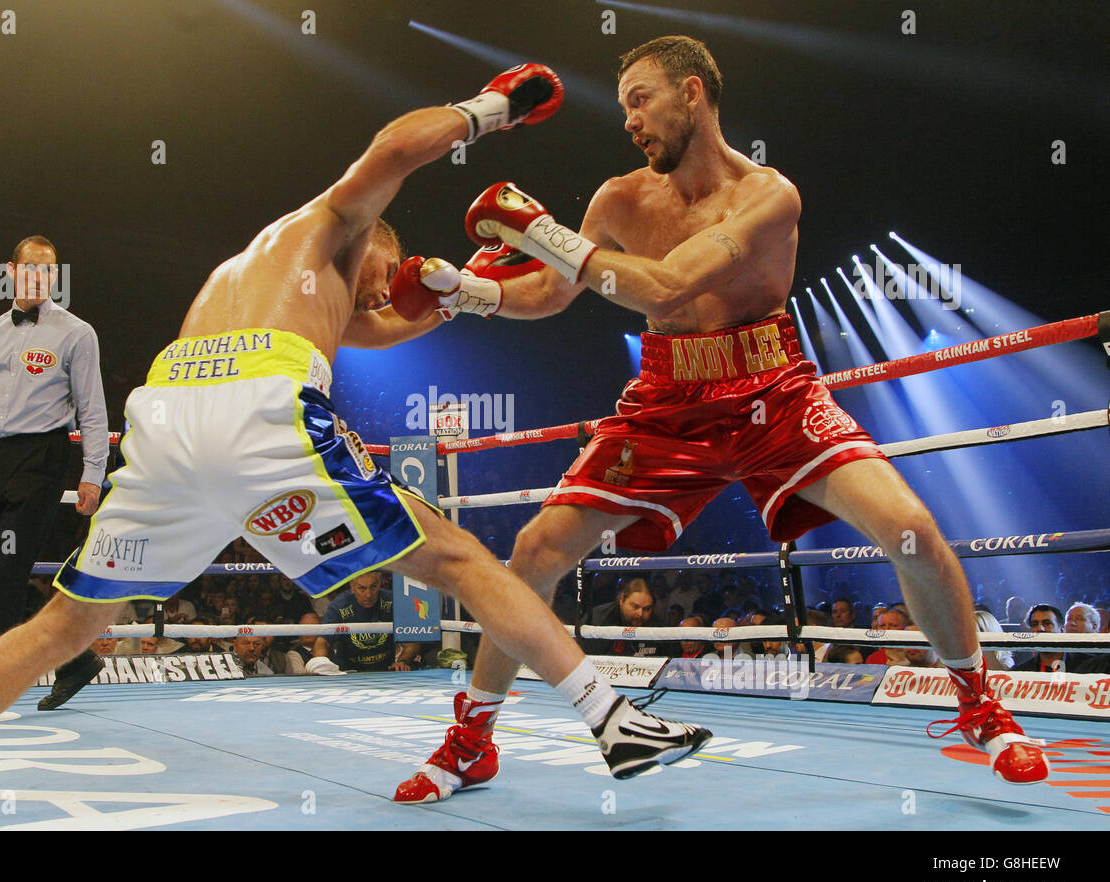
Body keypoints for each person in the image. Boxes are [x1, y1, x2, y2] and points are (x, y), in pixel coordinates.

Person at [0, 63, 709, 828]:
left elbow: (385, 323)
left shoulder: (270, 287)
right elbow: (392, 151)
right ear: (374, 242)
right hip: (258, 405)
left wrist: (459, 293)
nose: (380, 294)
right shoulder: (329, 223)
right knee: (462, 559)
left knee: (66, 623)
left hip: (170, 417)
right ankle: (612, 719)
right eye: (382, 275)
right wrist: (493, 108)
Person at [391, 34, 1047, 801]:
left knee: (913, 529)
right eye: (625, 106)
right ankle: (471, 741)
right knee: (536, 547)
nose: (629, 119)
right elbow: (551, 292)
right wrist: (472, 293)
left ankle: (981, 707)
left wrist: (537, 230)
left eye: (641, 99)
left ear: (693, 93)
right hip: (666, 401)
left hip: (776, 393)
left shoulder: (770, 194)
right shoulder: (618, 199)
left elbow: (669, 285)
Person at [0, 235, 110, 709]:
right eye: (30, 267)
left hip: (43, 459)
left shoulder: (76, 333)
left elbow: (92, 409)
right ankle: (75, 660)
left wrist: (92, 473)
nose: (39, 277)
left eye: (48, 270)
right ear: (10, 271)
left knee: (8, 570)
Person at [315, 571, 417, 671]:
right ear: (352, 587)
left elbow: (413, 636)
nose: (368, 595)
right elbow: (322, 641)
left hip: (385, 671)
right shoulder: (339, 605)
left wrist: (403, 661)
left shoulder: (392, 601)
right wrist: (320, 665)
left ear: (380, 584)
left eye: (373, 587)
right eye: (362, 588)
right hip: (347, 672)